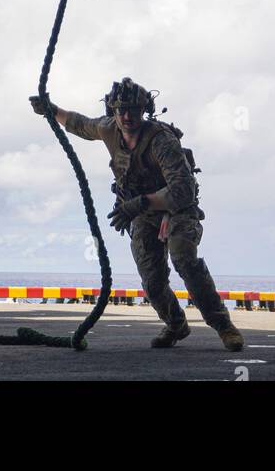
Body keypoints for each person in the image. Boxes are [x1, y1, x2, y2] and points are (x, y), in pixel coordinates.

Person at [30, 78, 243, 350]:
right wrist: (51, 108)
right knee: (152, 281)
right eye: (121, 110)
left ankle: (224, 326)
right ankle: (176, 325)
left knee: (184, 260)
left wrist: (138, 204)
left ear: (144, 109)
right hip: (143, 214)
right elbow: (80, 124)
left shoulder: (161, 141)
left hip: (177, 210)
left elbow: (183, 192)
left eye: (133, 109)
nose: (127, 116)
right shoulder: (108, 129)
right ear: (113, 110)